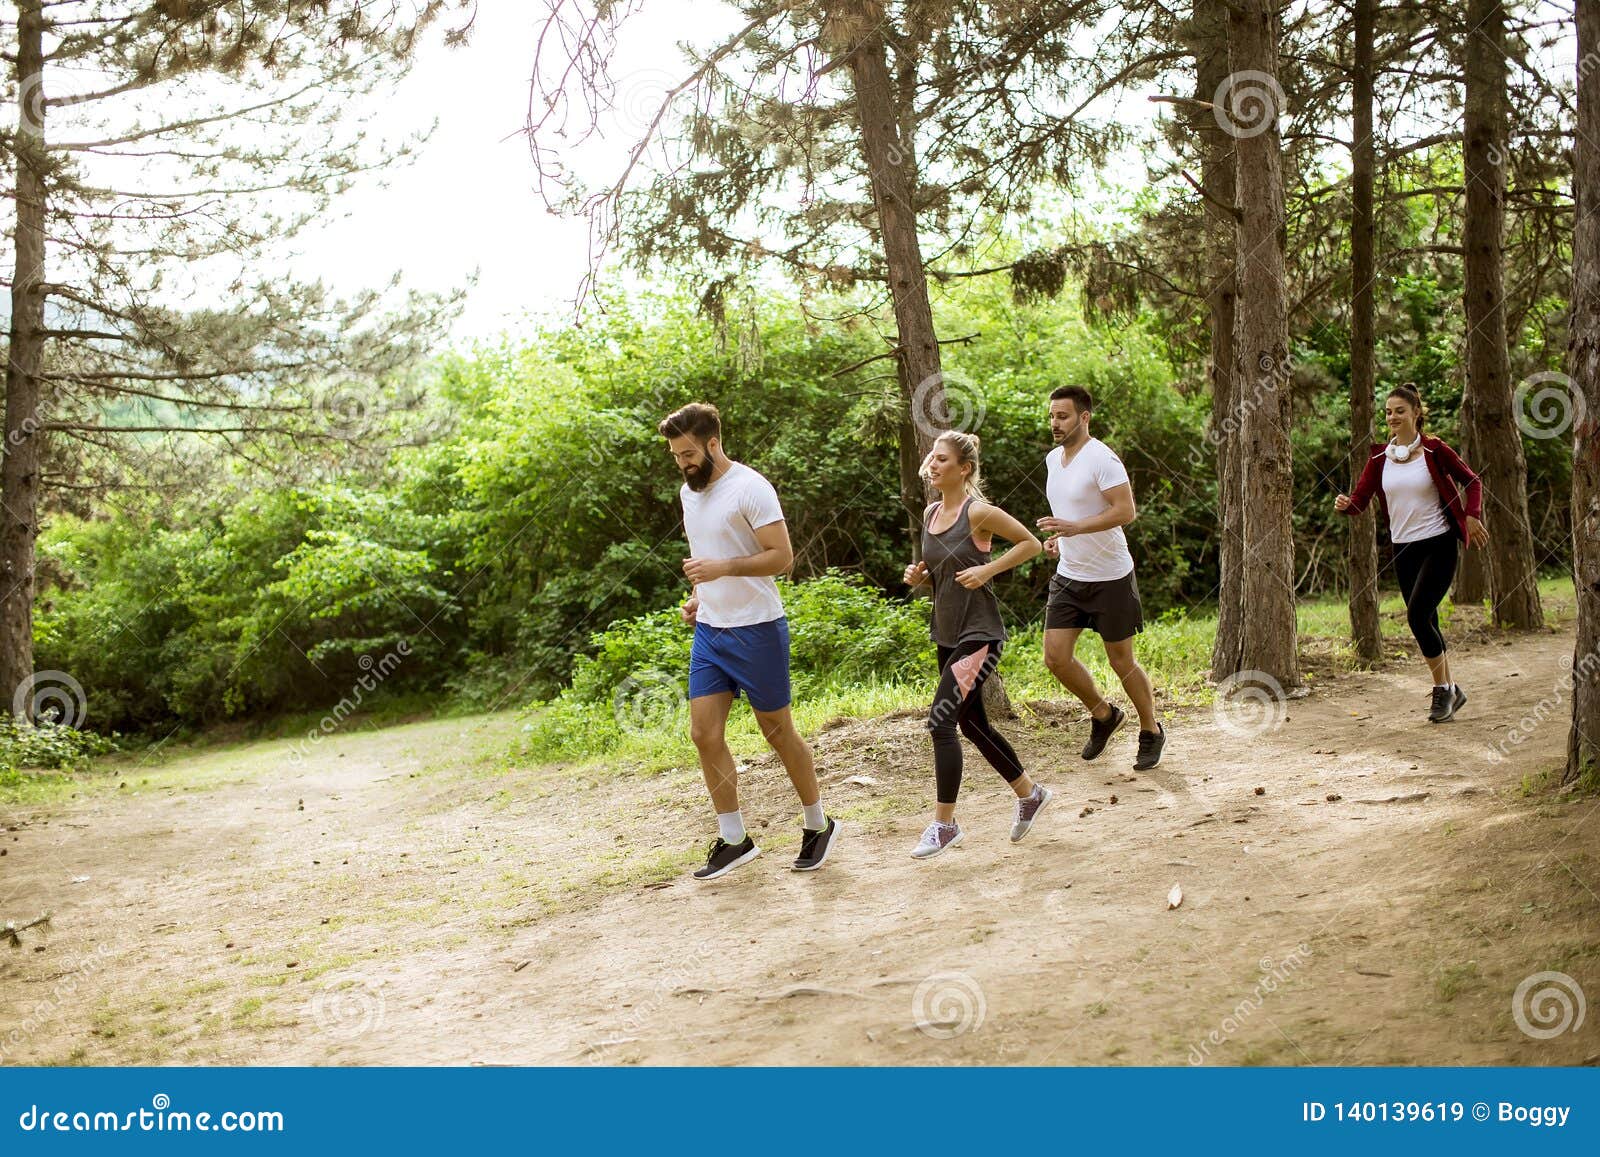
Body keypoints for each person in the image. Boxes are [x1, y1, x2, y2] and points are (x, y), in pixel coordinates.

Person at [659, 402, 839, 879]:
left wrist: (725, 569)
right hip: (712, 633)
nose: (683, 463)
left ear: (714, 442)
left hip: (758, 628)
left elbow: (782, 557)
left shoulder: (752, 488)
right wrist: (700, 594)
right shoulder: (688, 493)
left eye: (689, 453)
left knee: (778, 733)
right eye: (676, 455)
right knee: (704, 734)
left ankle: (818, 824)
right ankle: (735, 838)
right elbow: (706, 556)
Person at [903, 431, 1049, 859]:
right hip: (946, 635)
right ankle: (1030, 794)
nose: (933, 464)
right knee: (973, 724)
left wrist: (988, 572)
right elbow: (941, 575)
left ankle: (945, 825)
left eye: (942, 459)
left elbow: (1031, 544)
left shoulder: (978, 512)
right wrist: (921, 578)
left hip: (980, 636)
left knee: (940, 722)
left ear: (963, 469)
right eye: (931, 457)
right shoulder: (931, 513)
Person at [1334, 384, 1488, 722]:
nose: (1392, 417)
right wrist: (1347, 505)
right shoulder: (1378, 458)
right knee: (1427, 620)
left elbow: (1472, 481)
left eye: (1399, 411)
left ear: (1416, 413)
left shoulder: (1435, 450)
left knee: (1417, 616)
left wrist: (1472, 515)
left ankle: (1441, 692)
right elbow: (1361, 500)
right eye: (1388, 412)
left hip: (1439, 543)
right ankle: (1452, 688)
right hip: (1403, 549)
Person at [1036, 385, 1165, 770]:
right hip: (1070, 575)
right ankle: (1104, 715)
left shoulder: (1102, 458)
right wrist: (1061, 537)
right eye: (1052, 416)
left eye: (1063, 416)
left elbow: (1125, 511)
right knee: (1055, 658)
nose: (1055, 423)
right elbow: (1070, 510)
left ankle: (1151, 730)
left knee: (1121, 660)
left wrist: (1076, 528)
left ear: (1084, 417)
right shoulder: (1052, 460)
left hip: (1111, 576)